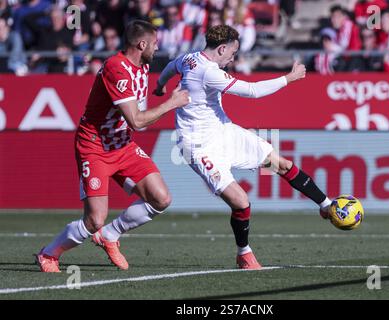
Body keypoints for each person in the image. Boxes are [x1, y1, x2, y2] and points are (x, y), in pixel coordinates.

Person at [153, 25, 332, 270]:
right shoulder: (209, 71)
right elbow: (252, 91)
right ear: (222, 48)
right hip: (197, 145)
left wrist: (160, 85)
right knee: (241, 201)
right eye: (233, 52)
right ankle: (244, 254)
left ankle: (326, 205)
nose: (233, 58)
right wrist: (289, 78)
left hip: (223, 131)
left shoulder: (189, 58)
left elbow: (171, 65)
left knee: (280, 163)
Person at [35, 20, 190, 273]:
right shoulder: (116, 69)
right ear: (142, 44)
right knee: (94, 219)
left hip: (122, 146)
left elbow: (138, 116)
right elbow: (137, 121)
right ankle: (49, 254)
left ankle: (110, 235)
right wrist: (172, 103)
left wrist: (162, 95)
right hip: (94, 147)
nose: (157, 48)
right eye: (154, 43)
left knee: (161, 199)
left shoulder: (142, 68)